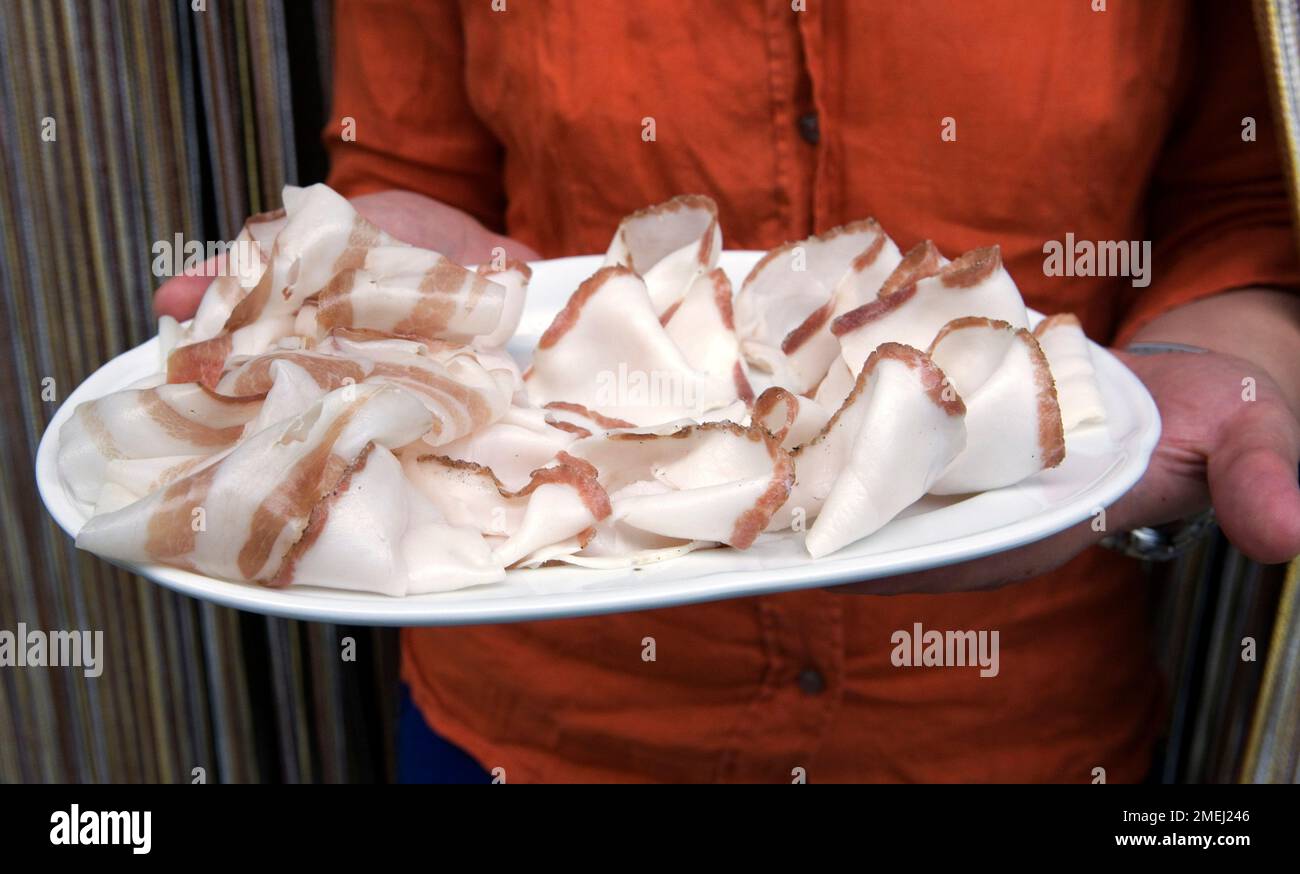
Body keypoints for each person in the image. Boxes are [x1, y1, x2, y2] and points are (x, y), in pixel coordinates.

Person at [155, 0, 1300, 782]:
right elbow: (409, 166)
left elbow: (1237, 200)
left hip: (1011, 722)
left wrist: (1217, 355)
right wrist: (372, 282)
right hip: (537, 717)